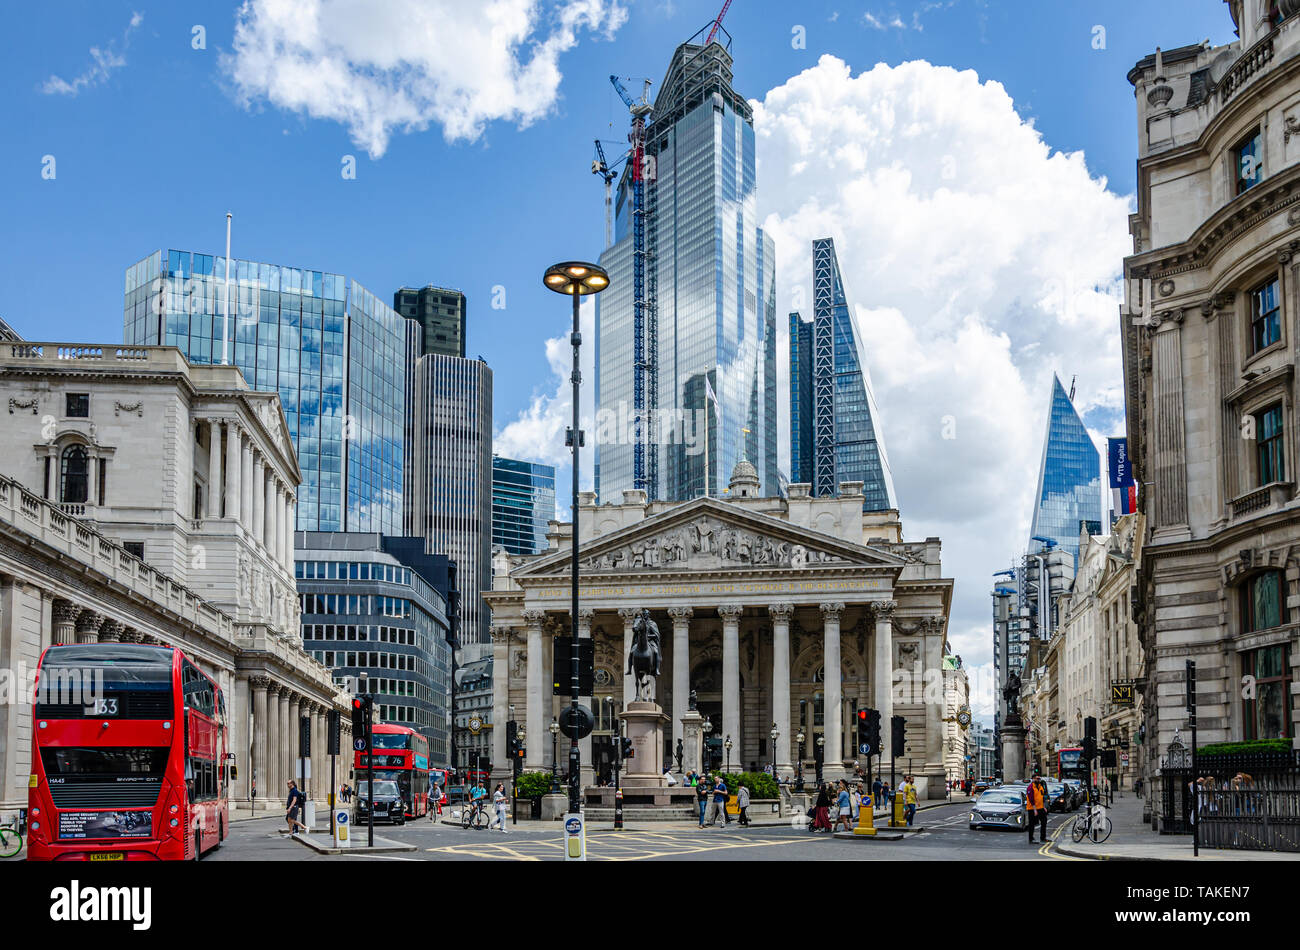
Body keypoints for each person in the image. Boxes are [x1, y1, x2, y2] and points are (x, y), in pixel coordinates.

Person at [1025, 776, 1048, 844]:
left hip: (1040, 808)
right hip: (1032, 809)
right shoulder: (1030, 787)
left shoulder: (1040, 786)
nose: (1038, 780)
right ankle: (1031, 839)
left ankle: (1043, 838)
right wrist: (1035, 810)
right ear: (1033, 779)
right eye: (1037, 779)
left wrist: (1043, 807)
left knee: (1044, 821)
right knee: (1032, 824)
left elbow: (1041, 797)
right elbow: (1031, 799)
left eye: (1039, 779)